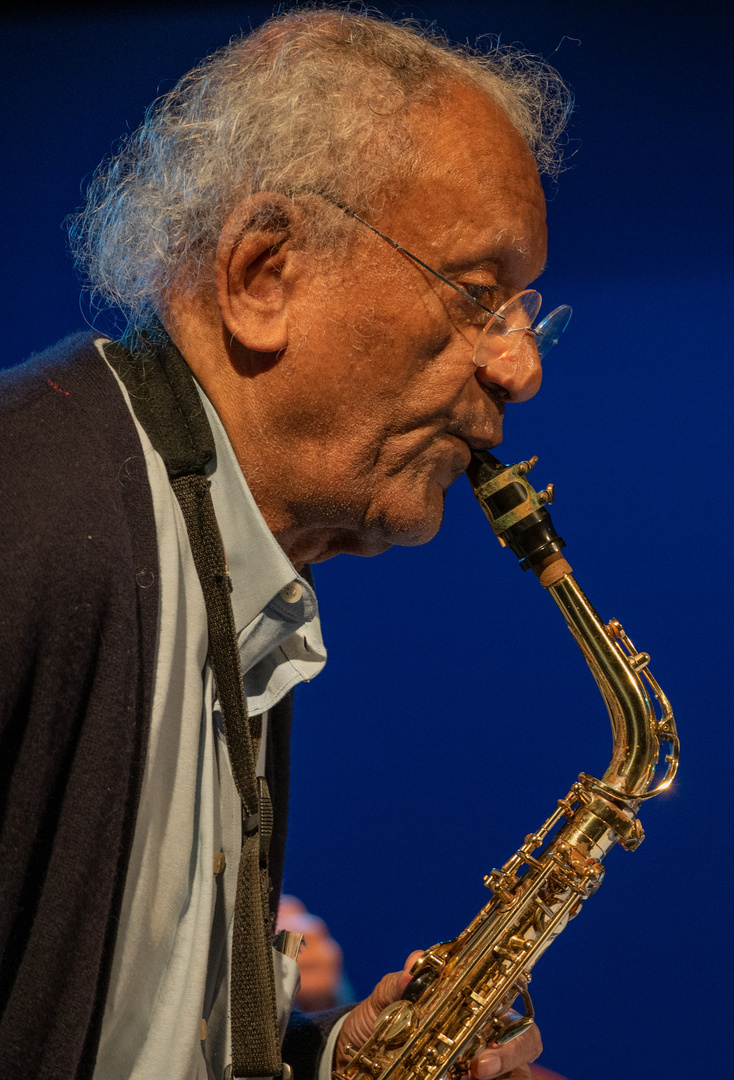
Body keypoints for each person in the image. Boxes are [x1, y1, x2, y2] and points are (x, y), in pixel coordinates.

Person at [0, 8, 573, 1080]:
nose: (520, 369)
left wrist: (328, 1063)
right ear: (264, 274)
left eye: (524, 314)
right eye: (477, 296)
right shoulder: (29, 512)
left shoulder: (221, 549)